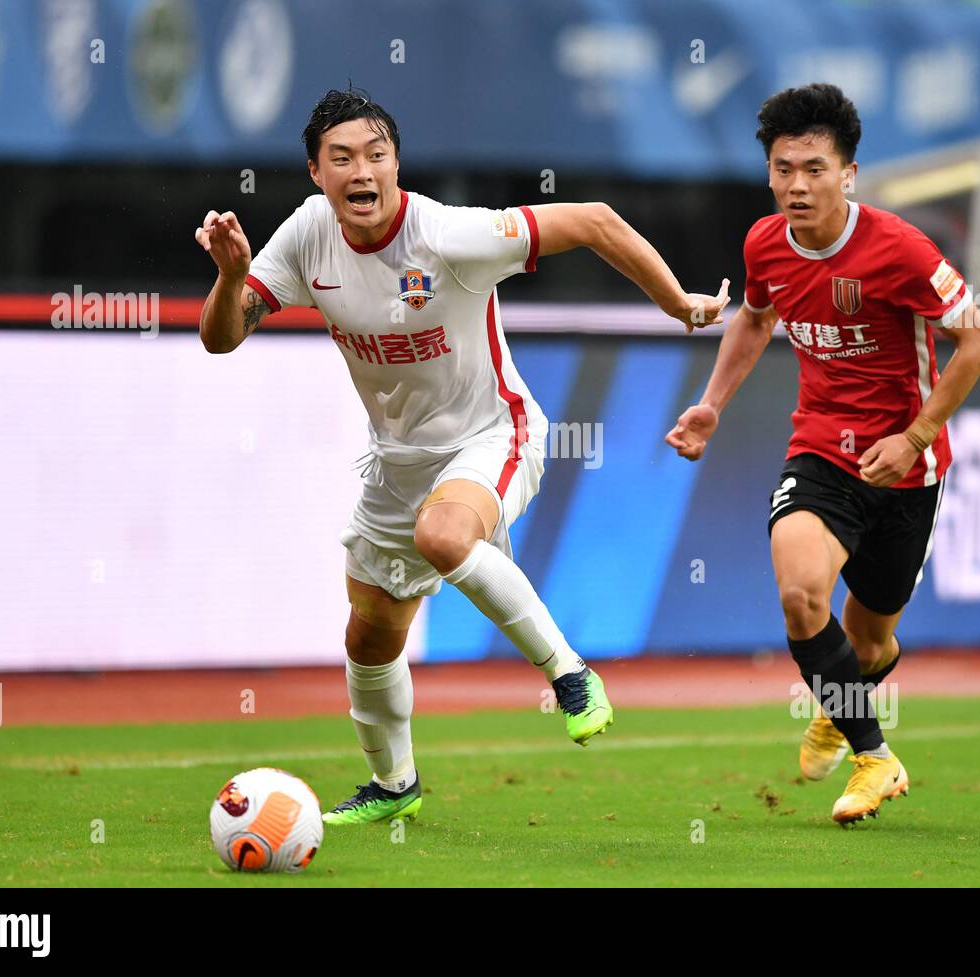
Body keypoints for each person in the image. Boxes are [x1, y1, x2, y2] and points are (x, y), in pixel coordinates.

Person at [196, 88, 729, 825]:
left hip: (495, 435)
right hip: (396, 464)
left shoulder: (448, 235)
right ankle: (394, 784)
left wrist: (675, 303)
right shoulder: (308, 234)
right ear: (316, 173)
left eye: (376, 154)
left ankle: (570, 674)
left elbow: (595, 220)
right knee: (370, 633)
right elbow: (221, 339)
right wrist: (231, 278)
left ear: (397, 164)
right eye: (342, 158)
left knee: (443, 535)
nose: (362, 171)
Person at [666, 83, 980, 825]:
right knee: (800, 594)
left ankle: (838, 704)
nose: (797, 185)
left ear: (848, 173)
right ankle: (876, 756)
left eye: (814, 169)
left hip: (907, 467)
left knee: (868, 644)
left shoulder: (901, 249)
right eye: (783, 169)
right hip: (820, 450)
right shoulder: (764, 243)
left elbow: (977, 341)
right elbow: (755, 318)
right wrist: (712, 404)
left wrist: (914, 436)